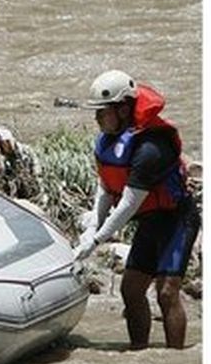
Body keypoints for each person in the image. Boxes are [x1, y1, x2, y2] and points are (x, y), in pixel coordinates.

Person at [72, 69, 198, 349]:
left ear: (123, 109)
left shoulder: (151, 148)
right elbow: (106, 188)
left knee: (166, 292)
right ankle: (138, 352)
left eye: (102, 112)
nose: (96, 118)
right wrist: (93, 225)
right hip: (150, 222)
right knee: (131, 290)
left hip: (177, 220)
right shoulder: (107, 141)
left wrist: (96, 241)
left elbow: (129, 202)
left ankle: (174, 357)